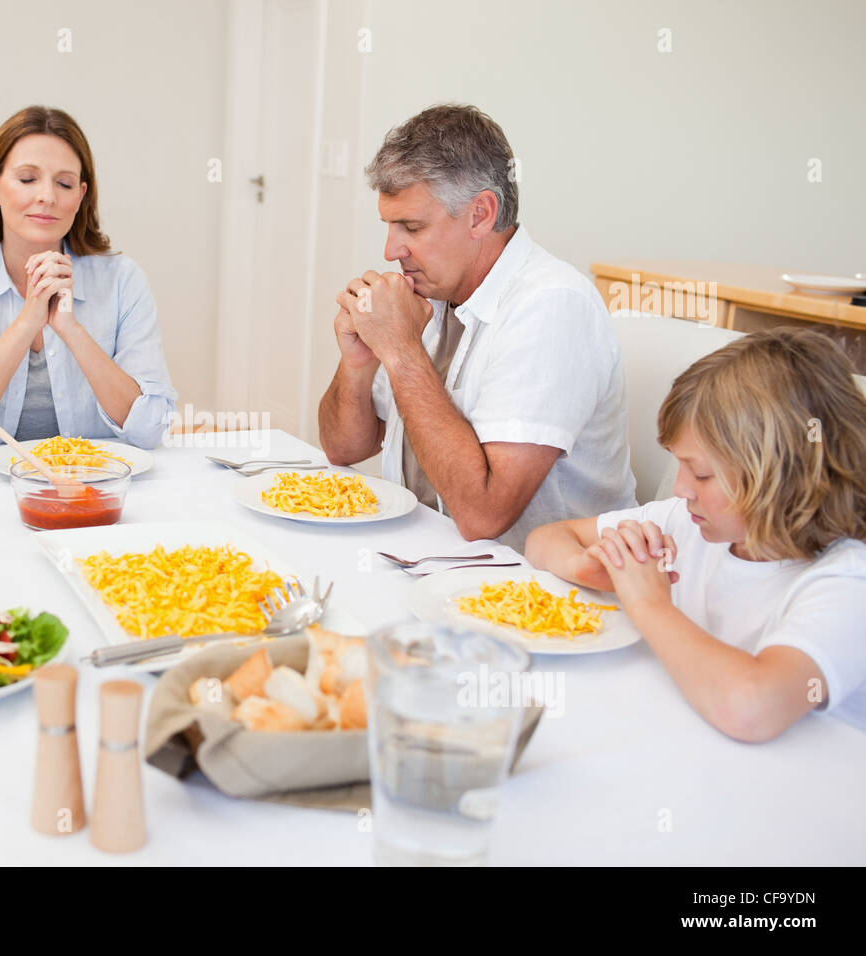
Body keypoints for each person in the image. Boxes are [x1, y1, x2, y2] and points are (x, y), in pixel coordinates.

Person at [318, 104, 635, 550]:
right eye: (390, 226)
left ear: (481, 214)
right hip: (427, 557)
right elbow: (343, 449)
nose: (391, 250)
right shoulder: (434, 294)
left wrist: (401, 350)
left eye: (411, 227)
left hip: (538, 593)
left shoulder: (552, 305)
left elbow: (483, 515)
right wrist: (358, 361)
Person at [526, 329, 866, 740]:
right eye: (680, 466)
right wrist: (588, 567)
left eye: (701, 473)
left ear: (782, 474)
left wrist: (649, 603)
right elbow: (545, 539)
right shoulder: (689, 522)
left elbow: (751, 709)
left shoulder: (847, 580)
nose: (681, 488)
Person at [0, 105, 176, 454]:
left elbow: (149, 430)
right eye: (27, 179)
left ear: (80, 197)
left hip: (92, 484)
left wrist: (71, 330)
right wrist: (26, 323)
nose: (47, 196)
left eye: (63, 183)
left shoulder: (123, 281)